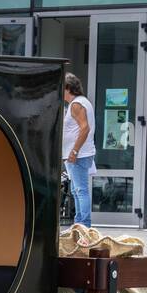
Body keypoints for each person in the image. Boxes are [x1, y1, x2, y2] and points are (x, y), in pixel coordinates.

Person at [62, 73, 97, 228]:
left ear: (68, 88)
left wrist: (74, 151)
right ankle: (79, 223)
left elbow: (85, 128)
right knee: (77, 190)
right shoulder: (81, 102)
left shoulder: (76, 104)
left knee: (80, 190)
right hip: (78, 154)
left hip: (78, 155)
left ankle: (84, 225)